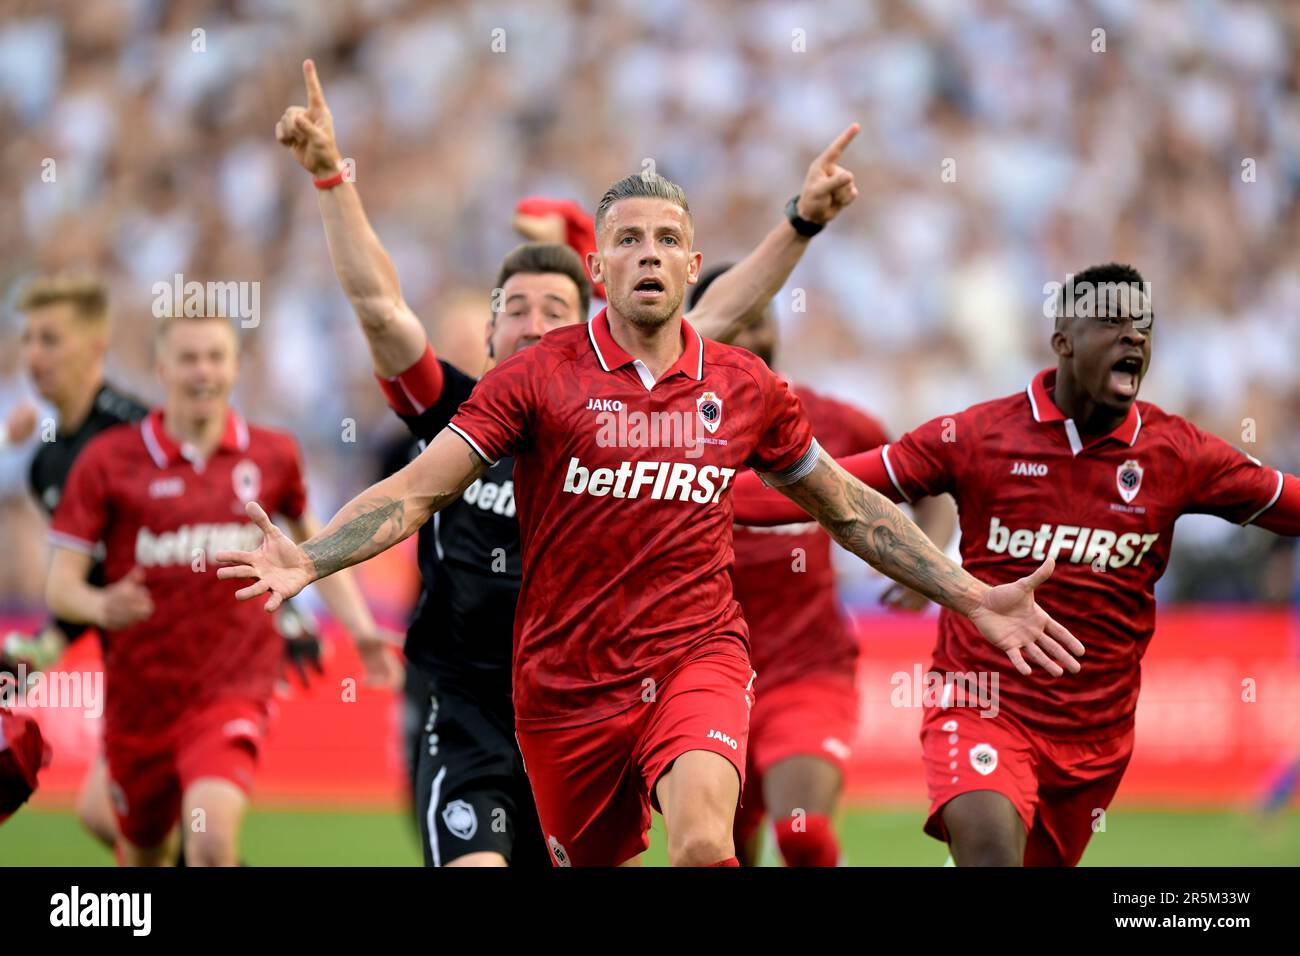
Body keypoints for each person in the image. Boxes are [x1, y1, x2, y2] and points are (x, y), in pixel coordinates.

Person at [216, 170, 1081, 868]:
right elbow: (421, 488)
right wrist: (316, 557)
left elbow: (849, 509)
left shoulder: (744, 387)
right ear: (600, 272)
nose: (649, 254)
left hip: (694, 655)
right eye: (629, 239)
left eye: (667, 239)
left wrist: (968, 593)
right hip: (561, 685)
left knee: (706, 843)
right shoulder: (537, 380)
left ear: (690, 259)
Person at [274, 59, 870, 865]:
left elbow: (717, 315)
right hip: (480, 702)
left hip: (599, 686)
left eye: (552, 311)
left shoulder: (612, 396)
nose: (530, 324)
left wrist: (798, 222)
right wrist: (330, 179)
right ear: (487, 337)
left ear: (577, 324)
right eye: (512, 310)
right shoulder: (452, 409)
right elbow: (381, 311)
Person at [731, 263, 1300, 865]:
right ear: (1063, 342)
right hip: (981, 700)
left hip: (1094, 734)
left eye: (1143, 326)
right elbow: (835, 488)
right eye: (1111, 322)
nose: (1133, 335)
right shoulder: (977, 436)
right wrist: (693, 486)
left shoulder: (1180, 454)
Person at [45, 310, 400, 866]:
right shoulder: (109, 461)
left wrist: (362, 630)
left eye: (216, 356)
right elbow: (60, 587)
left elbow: (317, 554)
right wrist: (100, 604)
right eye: (188, 358)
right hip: (139, 702)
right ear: (161, 368)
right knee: (145, 855)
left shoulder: (273, 456)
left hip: (230, 687)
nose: (202, 371)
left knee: (210, 844)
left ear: (237, 367)